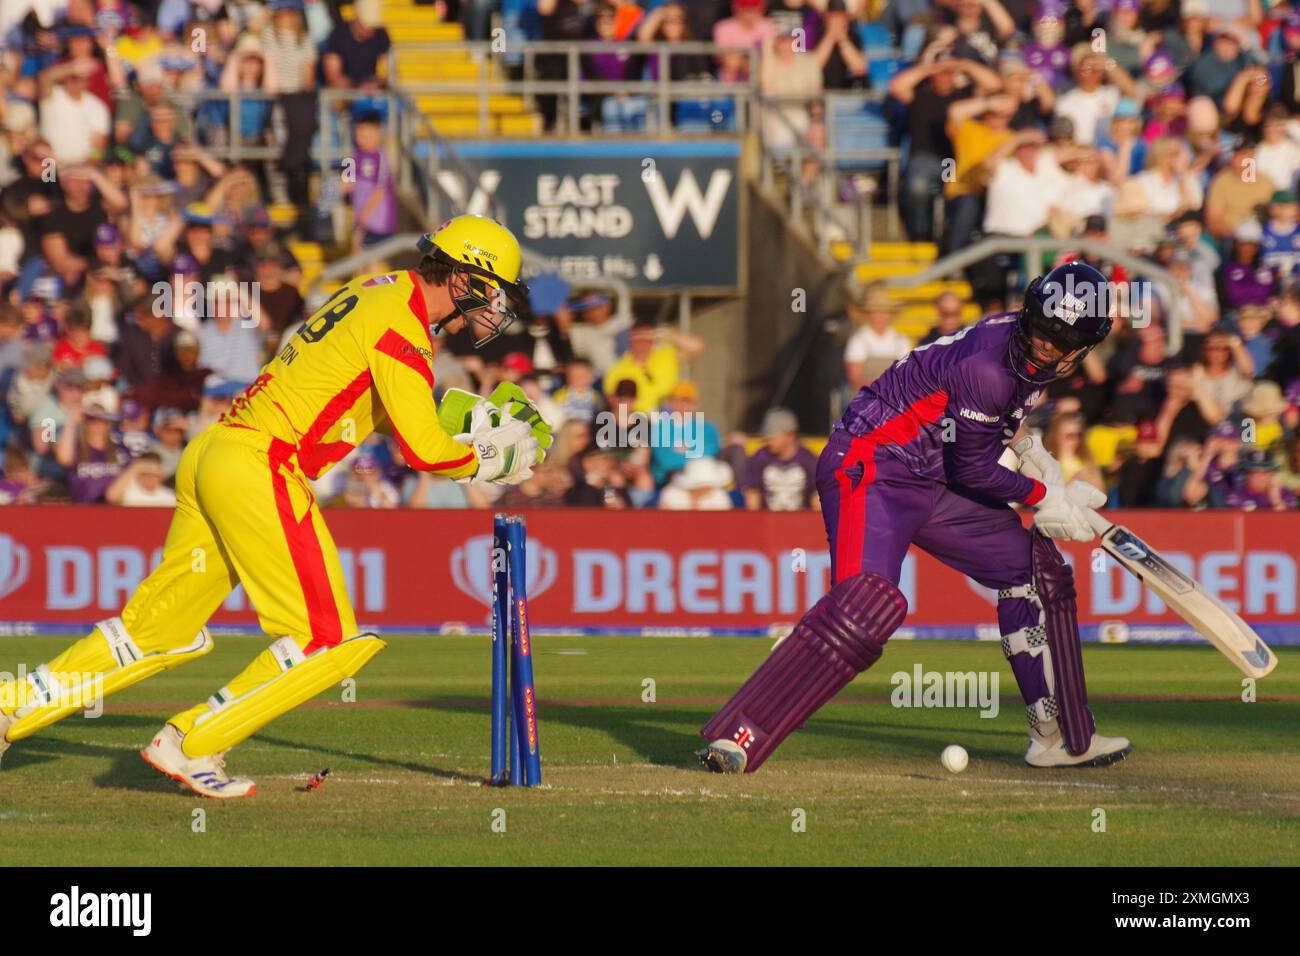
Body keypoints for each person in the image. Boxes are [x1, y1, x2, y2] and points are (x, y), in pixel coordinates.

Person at [0, 217, 549, 798]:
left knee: (158, 629)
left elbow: (359, 399)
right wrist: (487, 456)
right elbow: (425, 451)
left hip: (216, 450)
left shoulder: (377, 290)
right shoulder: (405, 327)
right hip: (263, 461)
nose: (494, 308)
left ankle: (12, 703)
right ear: (464, 277)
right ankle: (192, 741)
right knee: (326, 639)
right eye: (493, 291)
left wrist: (462, 421)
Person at [698, 262, 1131, 775]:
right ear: (1031, 312)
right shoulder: (988, 366)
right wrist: (1044, 496)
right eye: (1042, 330)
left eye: (1061, 342)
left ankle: (1056, 735)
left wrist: (1033, 453)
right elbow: (972, 468)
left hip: (931, 477)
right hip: (872, 464)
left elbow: (992, 423)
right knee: (864, 610)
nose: (1044, 345)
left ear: (1085, 347)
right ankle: (739, 733)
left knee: (1036, 571)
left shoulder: (1017, 356)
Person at [741, 406, 818, 510]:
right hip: (766, 519)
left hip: (801, 518)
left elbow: (818, 499)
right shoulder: (759, 458)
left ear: (790, 435)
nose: (769, 440)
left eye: (773, 436)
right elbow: (752, 498)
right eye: (767, 436)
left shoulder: (808, 460)